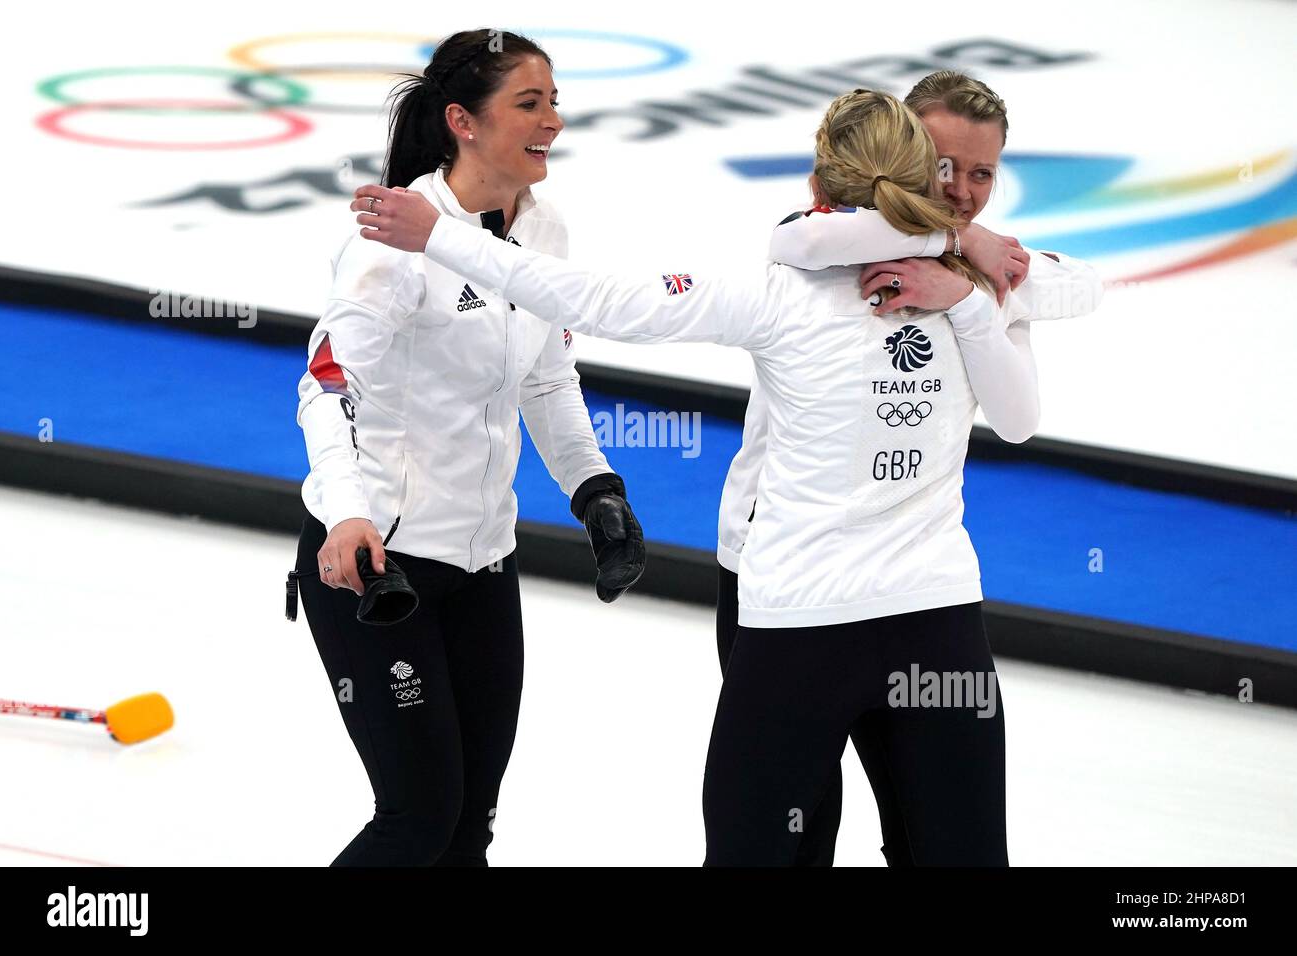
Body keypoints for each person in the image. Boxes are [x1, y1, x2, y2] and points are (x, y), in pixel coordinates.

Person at [350, 86, 1054, 865]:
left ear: (818, 188)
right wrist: (962, 273)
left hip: (799, 631)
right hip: (936, 624)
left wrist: (442, 237)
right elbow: (1026, 403)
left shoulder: (776, 292)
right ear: (922, 177)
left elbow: (603, 301)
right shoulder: (982, 289)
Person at [715, 70, 1104, 866]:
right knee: (792, 833)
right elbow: (803, 238)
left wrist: (971, 285)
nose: (961, 190)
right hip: (780, 578)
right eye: (941, 165)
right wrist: (957, 245)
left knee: (943, 835)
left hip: (915, 592)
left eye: (984, 172)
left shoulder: (980, 275)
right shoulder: (820, 242)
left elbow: (1078, 289)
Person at [289, 29, 645, 867]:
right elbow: (326, 385)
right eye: (530, 103)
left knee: (468, 827)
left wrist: (595, 489)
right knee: (418, 815)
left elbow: (548, 379)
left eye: (554, 100)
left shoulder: (545, 230)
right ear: (463, 121)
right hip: (378, 564)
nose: (553, 119)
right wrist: (347, 517)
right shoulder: (394, 239)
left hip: (484, 563)